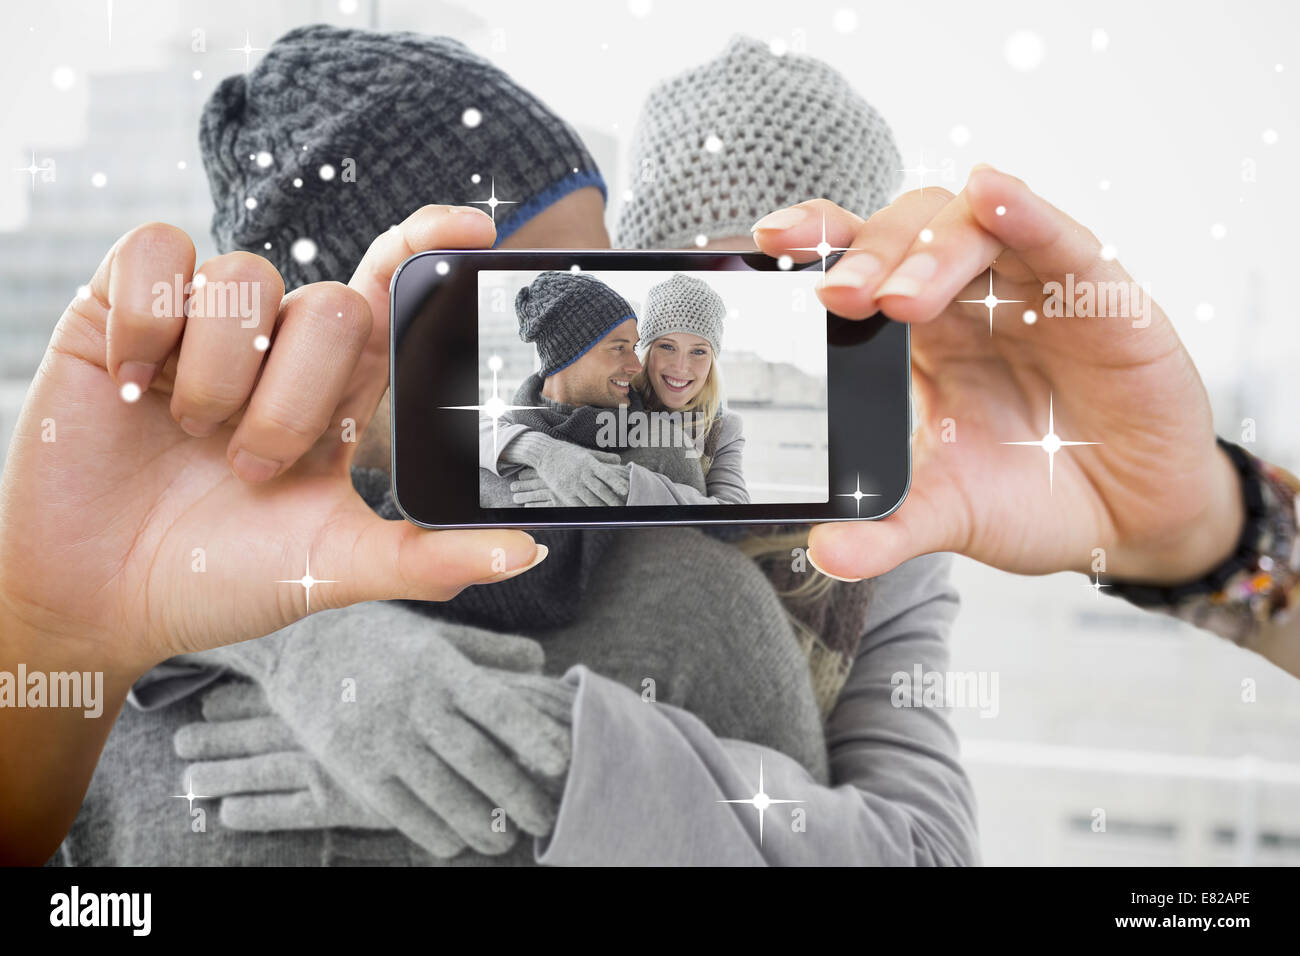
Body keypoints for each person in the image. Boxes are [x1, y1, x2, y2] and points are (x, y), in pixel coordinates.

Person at [4, 30, 1296, 869]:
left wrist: (1207, 535)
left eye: (807, 277)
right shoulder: (517, 484)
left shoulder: (854, 528)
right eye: (687, 270)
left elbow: (921, 850)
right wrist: (238, 630)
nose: (664, 360)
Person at [495, 270, 751, 506]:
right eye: (667, 347)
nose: (681, 367)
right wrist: (548, 456)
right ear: (648, 352)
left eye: (699, 351)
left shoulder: (721, 428)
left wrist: (611, 489)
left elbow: (733, 510)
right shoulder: (609, 399)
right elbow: (481, 431)